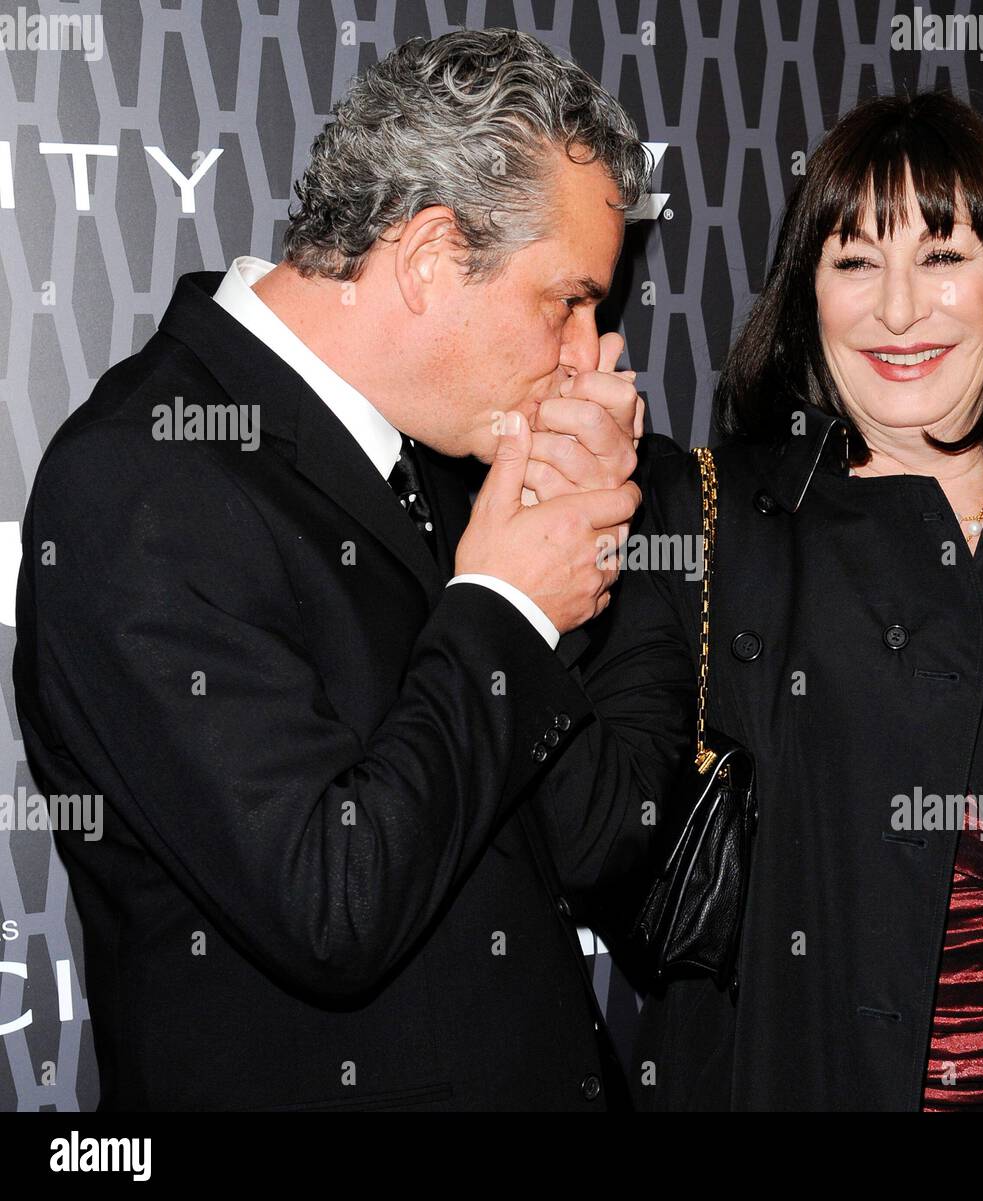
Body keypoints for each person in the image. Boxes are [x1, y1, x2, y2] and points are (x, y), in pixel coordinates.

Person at [539, 90, 983, 1111]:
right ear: (806, 294)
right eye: (855, 260)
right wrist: (560, 535)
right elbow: (593, 837)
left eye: (943, 255)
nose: (899, 310)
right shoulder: (708, 521)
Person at [13, 29, 657, 1111]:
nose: (592, 353)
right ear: (428, 257)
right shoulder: (140, 484)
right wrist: (504, 606)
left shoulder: (440, 459)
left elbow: (590, 848)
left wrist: (561, 559)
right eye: (569, 301)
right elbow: (331, 904)